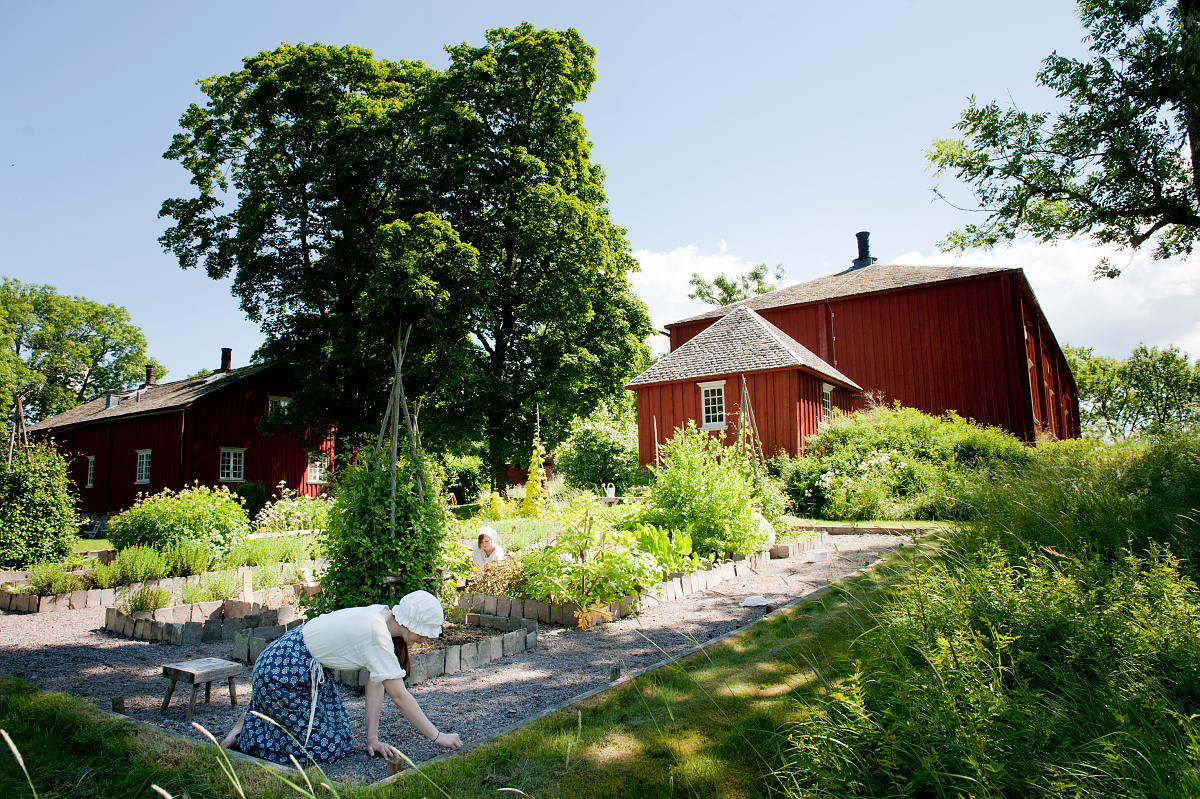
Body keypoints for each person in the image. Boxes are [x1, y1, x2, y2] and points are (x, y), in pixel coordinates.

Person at [220, 590, 463, 763]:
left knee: (339, 736)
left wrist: (372, 739)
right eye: (424, 634)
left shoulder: (381, 615)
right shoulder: (377, 634)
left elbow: (375, 682)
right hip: (283, 669)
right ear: (412, 625)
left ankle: (256, 718)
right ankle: (250, 725)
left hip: (300, 663)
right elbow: (399, 695)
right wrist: (437, 736)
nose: (424, 639)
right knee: (322, 750)